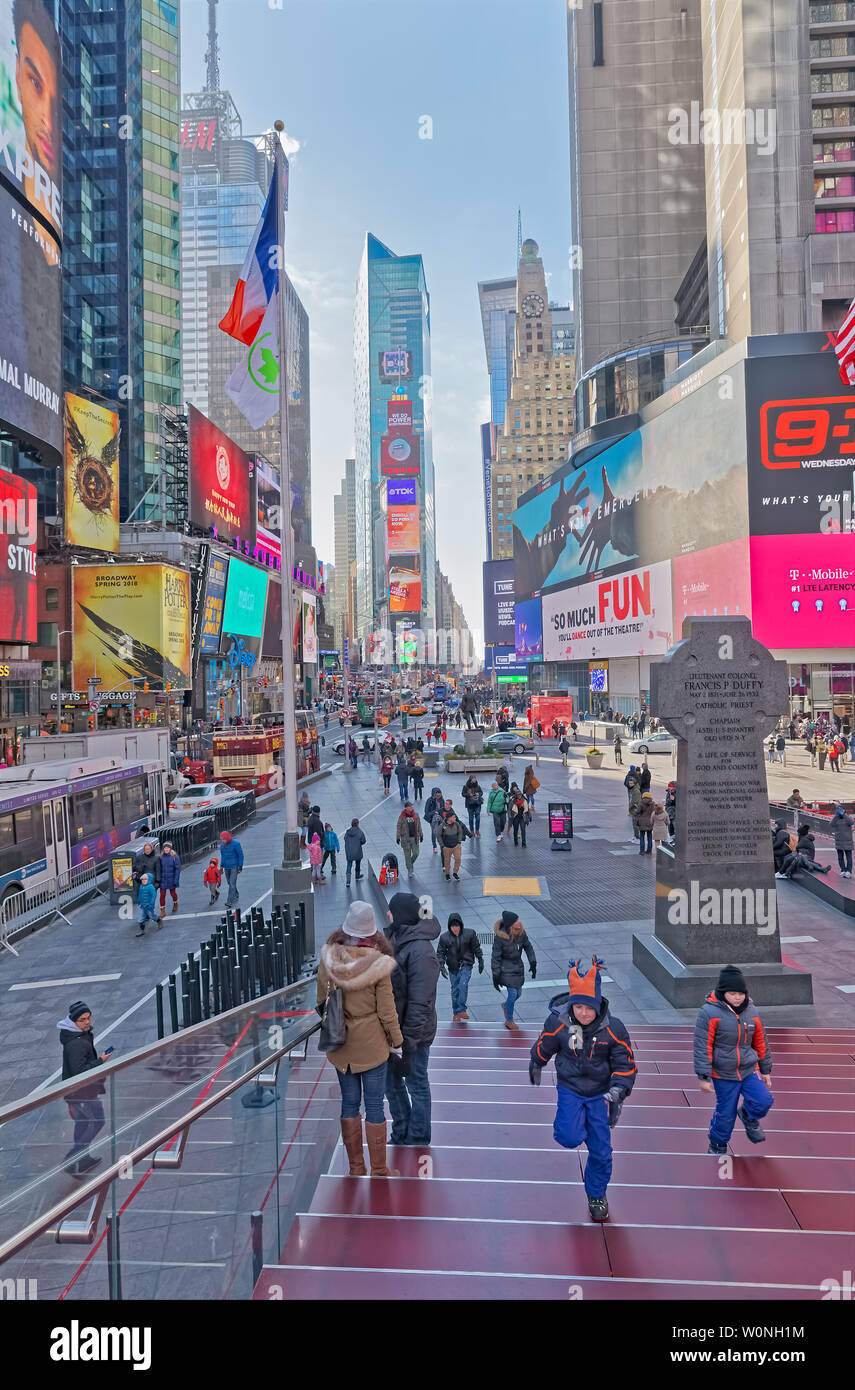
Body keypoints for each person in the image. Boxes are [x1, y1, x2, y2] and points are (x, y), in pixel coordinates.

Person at [529, 956, 636, 1222]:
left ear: (598, 1005)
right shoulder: (560, 1025)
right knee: (568, 1137)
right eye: (578, 1007)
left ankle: (596, 1194)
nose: (584, 1013)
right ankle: (580, 1125)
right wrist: (537, 1062)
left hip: (601, 1094)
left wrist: (619, 1089)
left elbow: (625, 1063)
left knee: (601, 1151)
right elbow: (545, 1045)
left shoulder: (614, 1029)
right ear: (571, 1005)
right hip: (571, 1088)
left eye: (589, 1008)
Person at [317, 902, 403, 1178]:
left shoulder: (330, 958)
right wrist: (397, 1040)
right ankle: (379, 1169)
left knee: (349, 1103)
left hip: (341, 1046)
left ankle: (356, 1167)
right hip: (372, 1046)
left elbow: (321, 1002)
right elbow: (386, 1010)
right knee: (375, 1105)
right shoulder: (377, 963)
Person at [694, 965, 774, 1156]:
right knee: (726, 1114)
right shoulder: (709, 1013)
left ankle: (747, 1115)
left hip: (747, 1070)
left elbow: (760, 1040)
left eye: (740, 993)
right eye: (732, 993)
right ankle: (717, 1144)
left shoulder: (751, 1011)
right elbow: (702, 1045)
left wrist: (765, 1069)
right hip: (723, 1073)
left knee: (763, 1100)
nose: (737, 997)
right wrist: (703, 1077)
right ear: (722, 993)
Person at [384, 892, 441, 1147]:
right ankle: (402, 1130)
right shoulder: (397, 937)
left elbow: (421, 1003)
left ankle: (418, 1138)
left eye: (391, 911)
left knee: (416, 1082)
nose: (387, 915)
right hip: (391, 1031)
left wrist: (407, 1043)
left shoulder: (420, 951)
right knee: (390, 1082)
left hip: (412, 1036)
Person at [58, 1001, 110, 1177]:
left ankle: (82, 1159)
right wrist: (101, 1061)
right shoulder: (77, 1043)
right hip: (81, 1093)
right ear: (74, 1022)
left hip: (80, 1092)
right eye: (82, 1019)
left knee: (82, 1124)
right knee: (97, 1121)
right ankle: (72, 1159)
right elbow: (80, 1071)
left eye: (88, 1018)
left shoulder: (79, 1035)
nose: (87, 1022)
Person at [491, 910, 536, 1031]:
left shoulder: (521, 934)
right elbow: (495, 957)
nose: (519, 923)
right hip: (505, 970)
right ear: (510, 924)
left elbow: (528, 947)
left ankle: (506, 1006)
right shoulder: (500, 939)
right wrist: (495, 975)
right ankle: (509, 1020)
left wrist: (533, 962)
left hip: (517, 969)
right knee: (513, 994)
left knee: (519, 993)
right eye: (516, 921)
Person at [436, 912, 484, 1023]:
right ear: (449, 927)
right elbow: (440, 953)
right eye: (453, 926)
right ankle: (456, 1013)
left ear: (461, 925)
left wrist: (480, 959)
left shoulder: (470, 934)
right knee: (455, 990)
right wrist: (441, 966)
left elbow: (476, 947)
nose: (455, 929)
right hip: (453, 967)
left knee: (463, 985)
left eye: (457, 926)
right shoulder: (444, 937)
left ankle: (462, 1009)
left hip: (466, 964)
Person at [439, 810, 470, 881]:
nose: (455, 818)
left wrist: (459, 842)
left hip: (456, 846)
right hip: (446, 847)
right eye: (453, 817)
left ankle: (455, 873)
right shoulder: (442, 826)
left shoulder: (456, 824)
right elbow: (438, 835)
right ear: (449, 818)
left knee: (458, 859)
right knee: (447, 861)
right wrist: (442, 845)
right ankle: (447, 874)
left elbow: (460, 832)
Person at [396, 801, 423, 876]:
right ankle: (410, 870)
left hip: (414, 838)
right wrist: (398, 837)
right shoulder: (402, 816)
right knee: (407, 855)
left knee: (416, 853)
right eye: (410, 806)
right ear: (406, 808)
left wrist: (421, 834)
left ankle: (409, 864)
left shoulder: (416, 815)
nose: (411, 807)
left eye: (412, 806)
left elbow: (419, 825)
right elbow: (398, 827)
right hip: (405, 839)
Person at [219, 830, 244, 906]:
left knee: (232, 884)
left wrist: (240, 866)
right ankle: (236, 894)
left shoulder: (236, 844)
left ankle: (229, 900)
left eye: (223, 839)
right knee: (229, 883)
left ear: (227, 838)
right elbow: (223, 856)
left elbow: (240, 855)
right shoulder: (222, 846)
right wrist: (221, 866)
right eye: (221, 839)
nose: (222, 841)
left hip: (234, 866)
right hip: (227, 867)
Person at [158, 842, 181, 915]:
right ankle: (162, 911)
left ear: (170, 848)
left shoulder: (175, 857)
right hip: (163, 879)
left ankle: (175, 903)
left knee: (173, 893)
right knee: (162, 895)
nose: (166, 849)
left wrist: (176, 880)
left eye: (168, 848)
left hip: (171, 879)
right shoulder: (160, 857)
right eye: (165, 847)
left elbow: (178, 869)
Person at [832, 806, 853, 878]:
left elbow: (852, 822)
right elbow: (831, 824)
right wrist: (836, 816)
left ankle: (848, 871)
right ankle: (843, 870)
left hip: (847, 840)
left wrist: (844, 814)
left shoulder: (848, 817)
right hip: (839, 840)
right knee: (840, 857)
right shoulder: (836, 818)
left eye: (841, 810)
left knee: (849, 857)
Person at [344, 818, 366, 886]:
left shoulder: (348, 832)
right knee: (358, 863)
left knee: (349, 865)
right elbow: (363, 840)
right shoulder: (360, 832)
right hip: (357, 851)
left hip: (349, 851)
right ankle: (357, 875)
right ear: (357, 824)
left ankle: (348, 881)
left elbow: (345, 838)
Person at [136, 872, 159, 936]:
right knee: (141, 918)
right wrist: (139, 901)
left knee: (152, 916)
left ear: (149, 880)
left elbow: (153, 896)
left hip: (149, 905)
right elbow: (140, 894)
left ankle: (159, 920)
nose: (143, 881)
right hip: (142, 905)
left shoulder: (151, 887)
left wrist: (151, 904)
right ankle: (142, 931)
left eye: (145, 879)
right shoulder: (141, 886)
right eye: (142, 879)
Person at [424, 787, 445, 853]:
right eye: (437, 795)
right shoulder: (429, 800)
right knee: (434, 832)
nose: (438, 796)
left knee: (442, 831)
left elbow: (444, 809)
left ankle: (442, 845)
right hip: (433, 819)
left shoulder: (442, 800)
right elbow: (426, 812)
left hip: (441, 818)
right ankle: (434, 846)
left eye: (439, 794)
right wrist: (435, 812)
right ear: (434, 794)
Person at [626, 777, 641, 842]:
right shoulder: (633, 789)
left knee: (636, 824)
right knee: (634, 824)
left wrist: (632, 807)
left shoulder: (636, 790)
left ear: (634, 783)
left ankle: (638, 838)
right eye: (629, 783)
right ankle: (635, 836)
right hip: (633, 809)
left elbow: (636, 801)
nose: (630, 784)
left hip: (635, 809)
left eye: (631, 783)